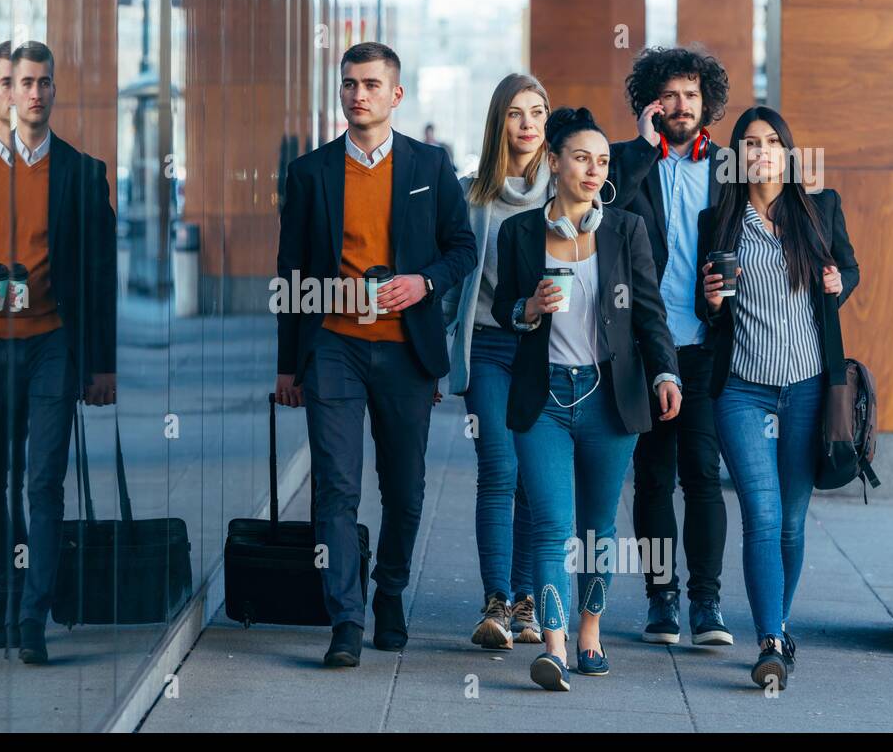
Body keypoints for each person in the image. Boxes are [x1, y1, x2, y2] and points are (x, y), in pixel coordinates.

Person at [275, 41, 477, 667]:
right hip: (332, 346)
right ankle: (345, 618)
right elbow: (291, 270)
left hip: (404, 350)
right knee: (335, 487)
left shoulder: (430, 165)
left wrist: (424, 283)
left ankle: (388, 592)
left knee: (406, 491)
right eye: (348, 84)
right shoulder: (311, 172)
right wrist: (287, 365)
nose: (357, 94)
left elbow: (462, 250)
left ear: (396, 95)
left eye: (369, 84)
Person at [494, 107, 680, 690]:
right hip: (542, 396)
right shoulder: (519, 232)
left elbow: (650, 314)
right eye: (581, 157)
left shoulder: (626, 230)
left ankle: (590, 633)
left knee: (598, 529)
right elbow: (503, 309)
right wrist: (526, 310)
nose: (593, 169)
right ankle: (552, 646)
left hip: (609, 396)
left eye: (602, 160)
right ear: (554, 161)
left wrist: (664, 374)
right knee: (551, 524)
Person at [0, 40, 116, 664]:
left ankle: (33, 613)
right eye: (18, 82)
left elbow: (100, 274)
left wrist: (103, 365)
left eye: (43, 82)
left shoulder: (81, 171)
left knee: (43, 482)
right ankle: (7, 588)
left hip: (51, 344)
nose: (33, 93)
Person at [697, 106, 858, 690]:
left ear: (787, 152)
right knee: (762, 516)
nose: (761, 151)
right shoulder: (717, 220)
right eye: (749, 143)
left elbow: (850, 271)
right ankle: (769, 641)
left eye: (770, 141)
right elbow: (705, 308)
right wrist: (712, 302)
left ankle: (779, 624)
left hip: (809, 387)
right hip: (742, 389)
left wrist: (839, 283)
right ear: (737, 157)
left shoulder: (820, 209)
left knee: (791, 520)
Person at [608, 45, 734, 647]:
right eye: (669, 95)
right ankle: (663, 603)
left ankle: (706, 605)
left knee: (703, 475)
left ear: (706, 102)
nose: (680, 106)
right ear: (651, 103)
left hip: (706, 344)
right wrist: (639, 147)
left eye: (690, 94)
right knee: (653, 478)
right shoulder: (625, 162)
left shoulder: (727, 166)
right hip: (642, 348)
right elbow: (605, 211)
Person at [441, 73, 551, 649]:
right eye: (515, 113)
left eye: (536, 112)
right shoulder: (469, 195)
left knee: (534, 479)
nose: (528, 123)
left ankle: (528, 601)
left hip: (547, 352)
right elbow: (450, 288)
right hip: (486, 346)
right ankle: (496, 602)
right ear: (498, 123)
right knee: (500, 469)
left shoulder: (567, 191)